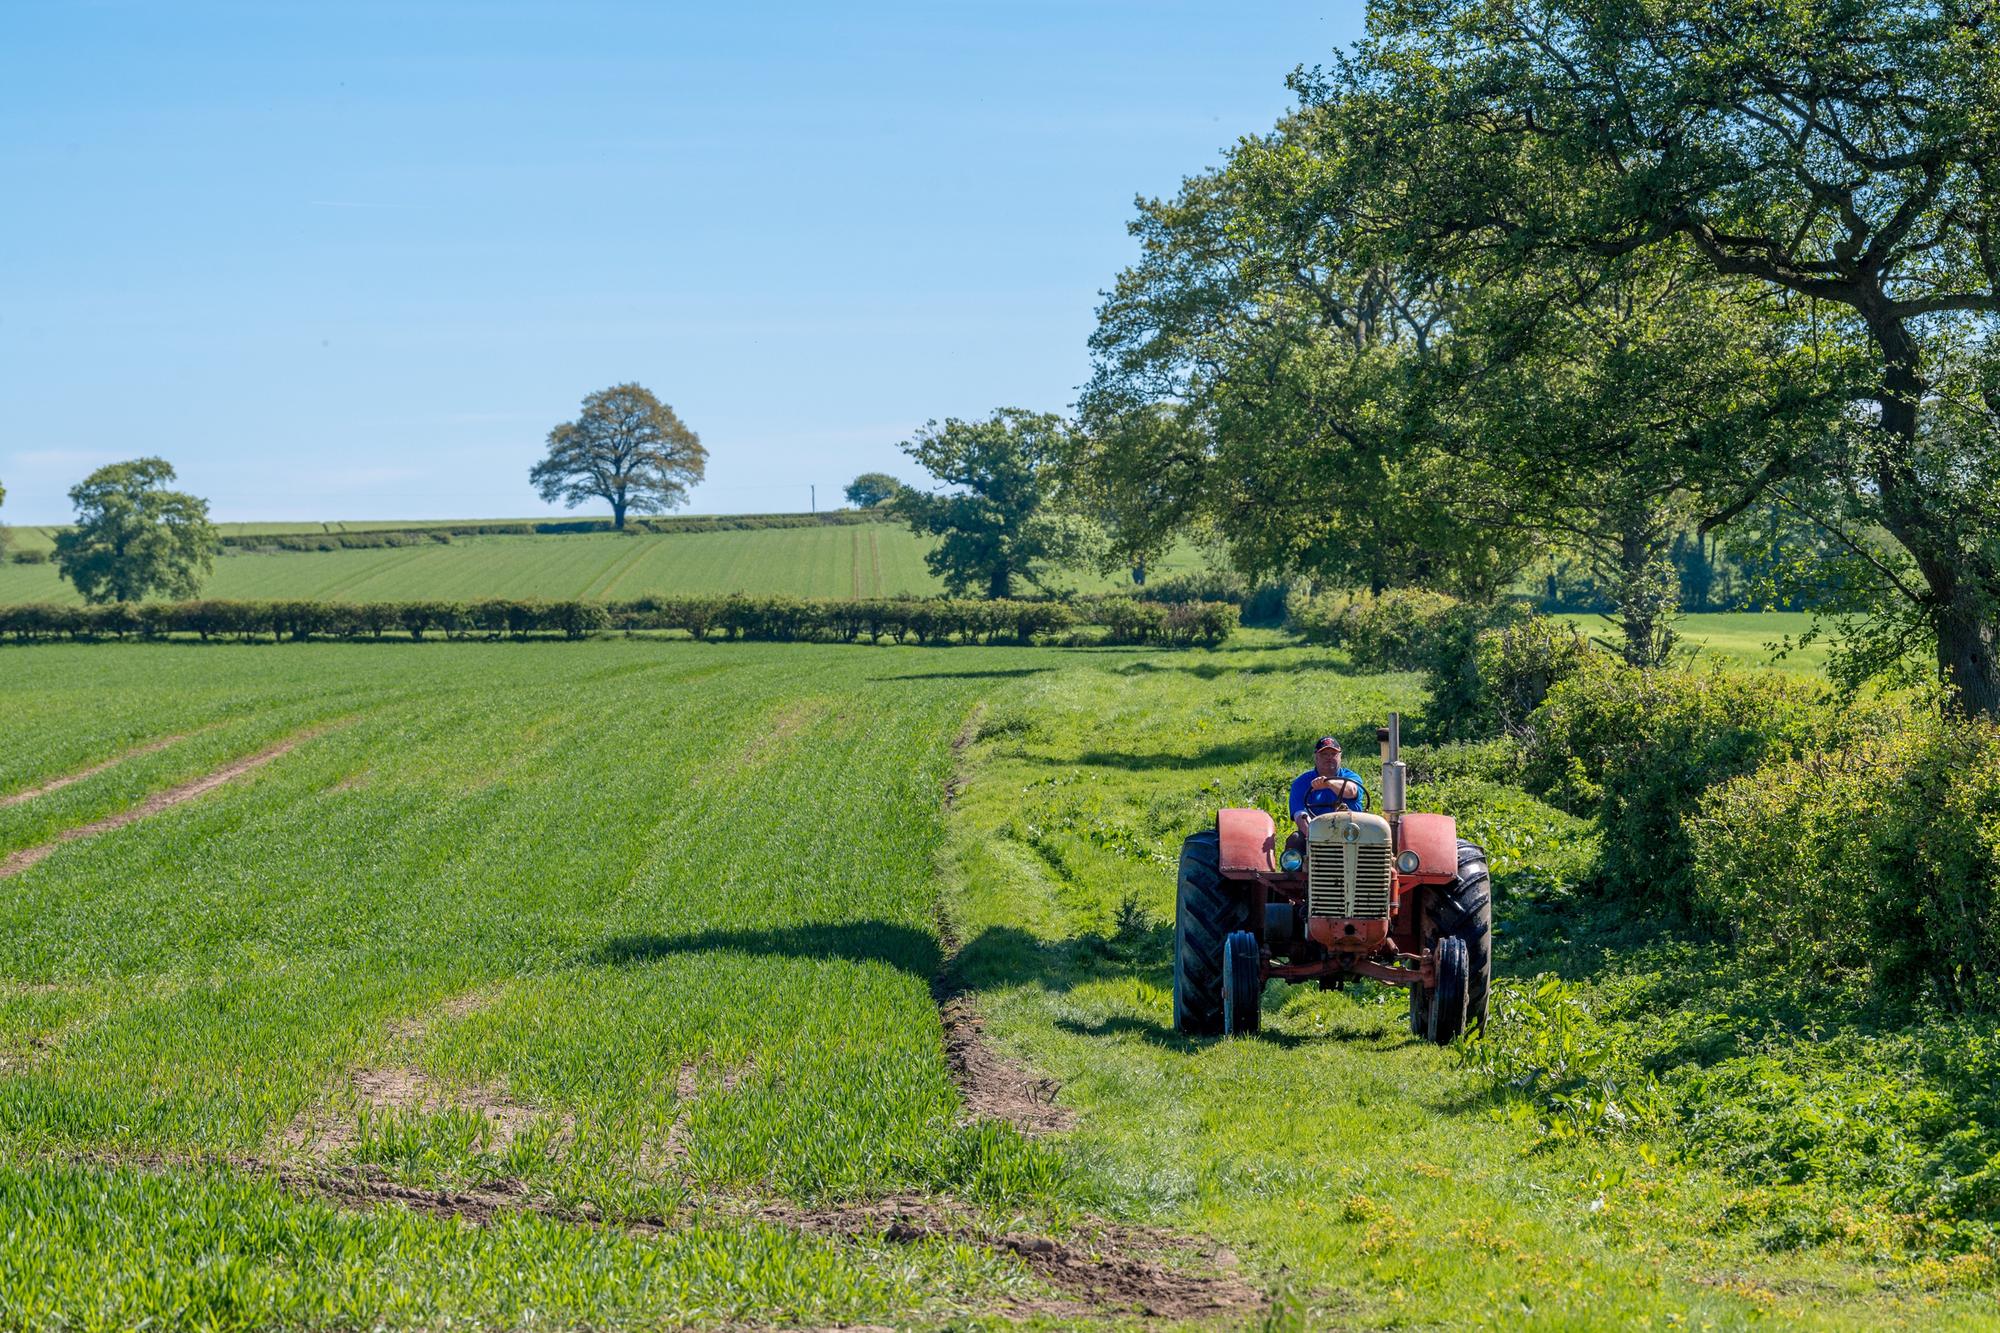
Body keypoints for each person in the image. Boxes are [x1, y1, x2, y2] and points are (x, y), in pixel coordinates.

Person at [1290, 736, 1366, 838]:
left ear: (1340, 756)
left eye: (1333, 754)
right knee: (1294, 840)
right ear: (1316, 757)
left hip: (1352, 834)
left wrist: (1329, 783)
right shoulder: (1301, 783)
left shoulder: (1351, 777)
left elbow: (1352, 791)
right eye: (1324, 754)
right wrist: (1313, 836)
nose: (1329, 757)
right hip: (1316, 833)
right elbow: (1300, 815)